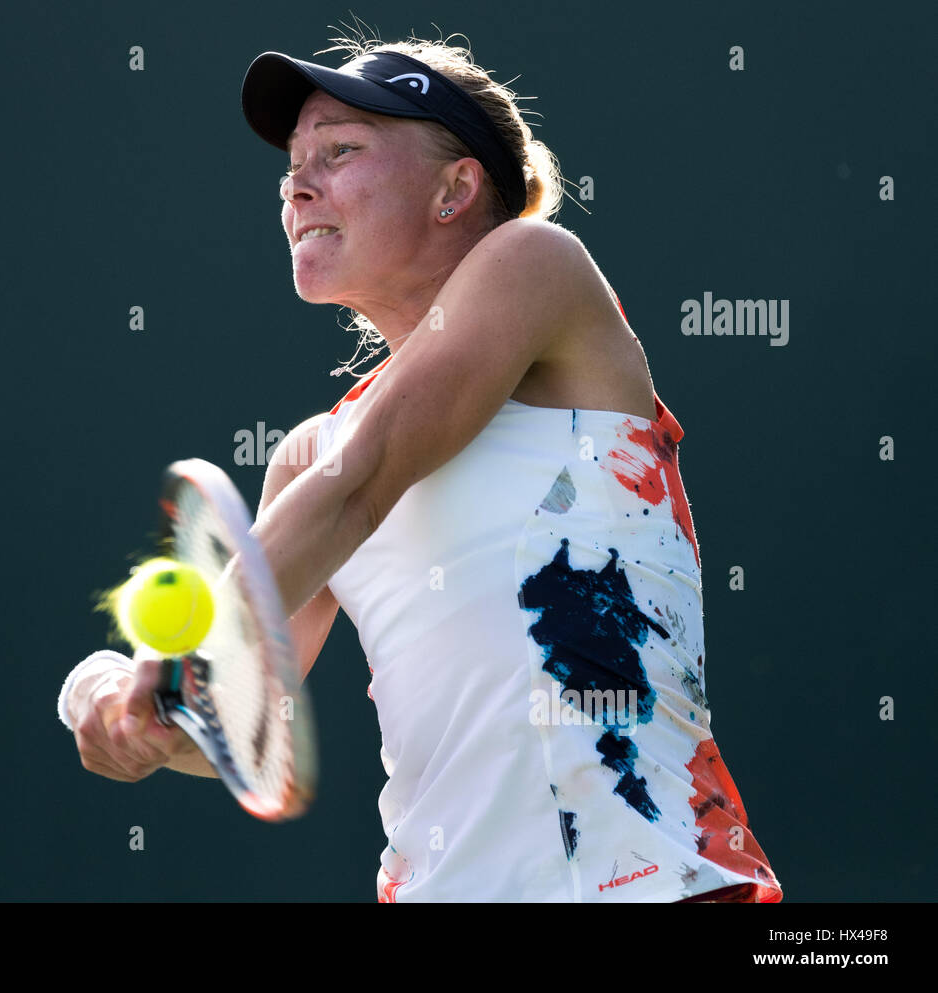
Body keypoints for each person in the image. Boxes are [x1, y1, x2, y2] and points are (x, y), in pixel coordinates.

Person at [59, 32, 783, 904]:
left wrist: (169, 655)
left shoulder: (536, 264)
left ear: (455, 188)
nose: (298, 184)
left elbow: (362, 486)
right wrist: (120, 709)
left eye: (340, 150)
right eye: (293, 164)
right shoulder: (304, 458)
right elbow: (246, 721)